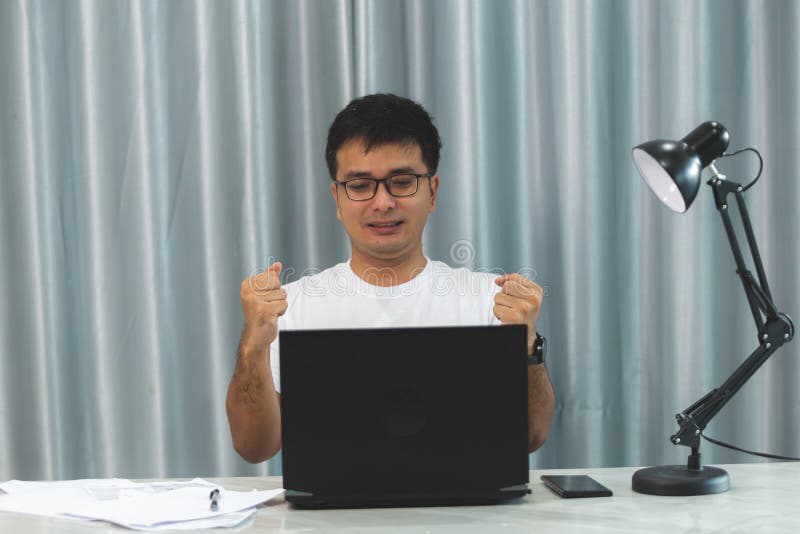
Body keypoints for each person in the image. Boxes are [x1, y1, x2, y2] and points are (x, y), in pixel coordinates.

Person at [226, 94, 555, 463]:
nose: (382, 203)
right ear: (336, 199)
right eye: (361, 185)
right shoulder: (290, 307)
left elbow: (532, 436)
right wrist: (254, 344)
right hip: (330, 519)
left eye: (401, 181)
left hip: (466, 517)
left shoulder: (488, 301)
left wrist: (526, 345)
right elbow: (254, 447)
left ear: (432, 192)